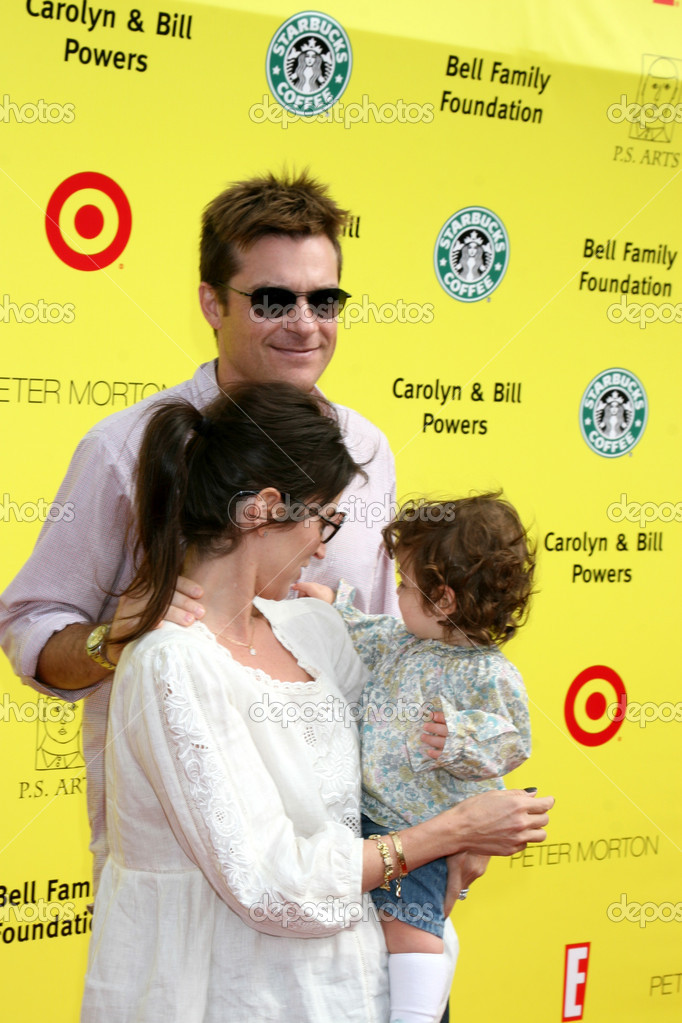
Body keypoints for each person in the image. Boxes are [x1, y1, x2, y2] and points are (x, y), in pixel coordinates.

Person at [81, 382, 553, 1022]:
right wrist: (449, 833)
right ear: (264, 509)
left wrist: (471, 827)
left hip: (359, 993)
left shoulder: (314, 630)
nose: (326, 548)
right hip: (225, 1000)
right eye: (323, 519)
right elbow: (273, 887)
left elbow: (428, 716)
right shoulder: (171, 663)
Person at [0, 170, 398, 897]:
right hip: (186, 884)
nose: (305, 322)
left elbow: (384, 645)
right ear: (212, 302)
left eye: (324, 299)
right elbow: (32, 627)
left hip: (350, 870)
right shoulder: (126, 451)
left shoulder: (367, 451)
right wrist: (108, 639)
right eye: (274, 298)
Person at [296, 493, 536, 1023]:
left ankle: (416, 1014)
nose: (398, 594)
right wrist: (331, 608)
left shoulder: (487, 673)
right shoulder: (403, 639)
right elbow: (361, 631)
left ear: (444, 600)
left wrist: (460, 738)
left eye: (405, 585)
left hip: (424, 828)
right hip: (374, 819)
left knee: (409, 924)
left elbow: (512, 741)